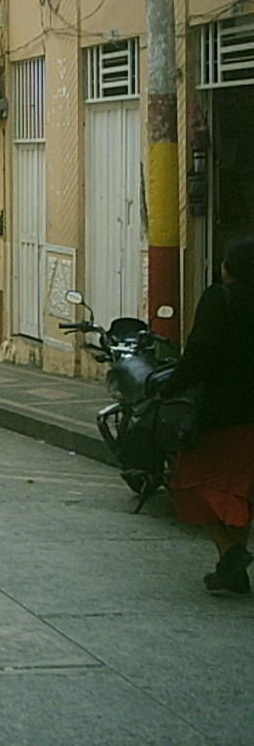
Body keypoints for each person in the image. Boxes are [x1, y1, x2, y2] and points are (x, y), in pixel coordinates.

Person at [158, 236, 254, 594]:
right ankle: (233, 573)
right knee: (241, 491)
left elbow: (200, 352)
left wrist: (170, 387)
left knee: (191, 483)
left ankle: (230, 553)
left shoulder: (220, 297)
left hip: (222, 411)